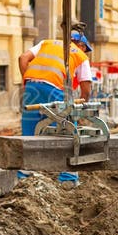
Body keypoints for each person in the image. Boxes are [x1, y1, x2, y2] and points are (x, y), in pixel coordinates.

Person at [18, 28, 93, 185]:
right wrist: (81, 106)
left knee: (29, 129)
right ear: (82, 46)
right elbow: (86, 88)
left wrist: (29, 83)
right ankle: (68, 178)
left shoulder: (46, 43)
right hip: (55, 89)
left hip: (31, 86)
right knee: (67, 130)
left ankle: (24, 176)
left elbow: (23, 58)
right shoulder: (80, 55)